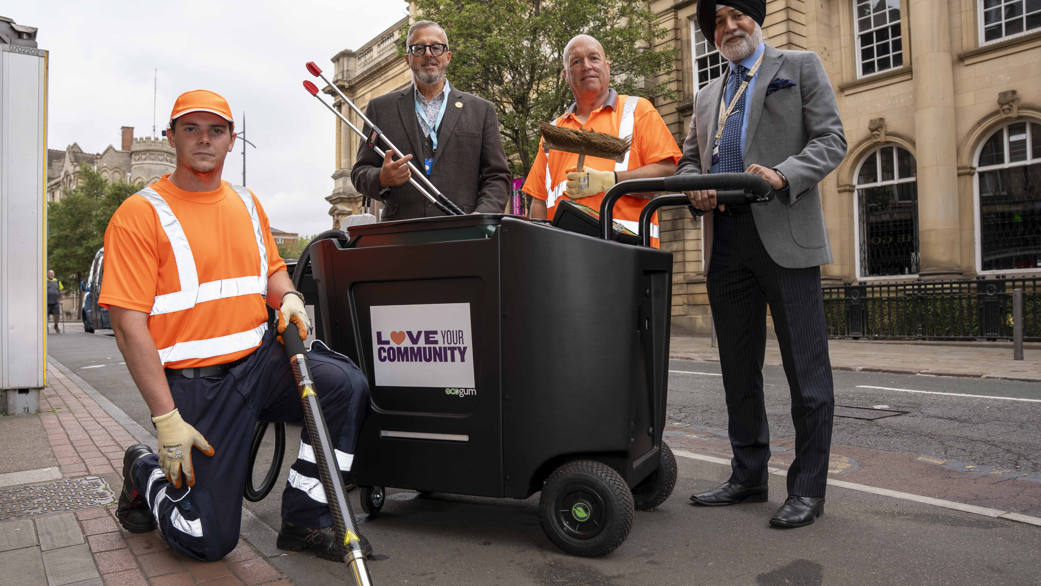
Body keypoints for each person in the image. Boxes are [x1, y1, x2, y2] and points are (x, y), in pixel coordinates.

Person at [99, 89, 371, 562]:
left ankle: (307, 519)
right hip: (196, 386)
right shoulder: (139, 215)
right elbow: (127, 326)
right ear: (172, 138)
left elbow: (270, 269)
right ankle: (144, 470)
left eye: (216, 131)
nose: (204, 139)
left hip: (259, 364)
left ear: (231, 141)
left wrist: (287, 295)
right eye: (191, 129)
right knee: (206, 540)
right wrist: (166, 421)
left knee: (344, 386)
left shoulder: (247, 204)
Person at [678, 0, 846, 528]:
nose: (729, 27)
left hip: (783, 231)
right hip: (725, 239)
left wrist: (781, 173)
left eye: (737, 15)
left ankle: (808, 490)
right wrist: (694, 189)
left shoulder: (799, 68)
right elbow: (688, 160)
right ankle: (748, 475)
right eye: (717, 23)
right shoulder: (707, 96)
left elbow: (831, 140)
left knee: (807, 371)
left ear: (756, 18)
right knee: (737, 369)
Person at [521, 34, 681, 247]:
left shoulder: (637, 110)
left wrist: (610, 180)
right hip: (564, 256)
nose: (586, 66)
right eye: (576, 62)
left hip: (627, 252)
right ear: (566, 76)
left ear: (607, 66)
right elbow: (540, 200)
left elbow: (669, 171)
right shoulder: (553, 132)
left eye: (594, 58)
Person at [351, 20, 511, 220]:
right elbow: (360, 172)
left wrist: (481, 216)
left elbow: (497, 176)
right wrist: (381, 178)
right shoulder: (380, 109)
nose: (428, 54)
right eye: (419, 48)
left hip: (463, 237)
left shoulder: (481, 110)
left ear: (448, 56)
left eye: (436, 47)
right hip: (401, 237)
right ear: (408, 59)